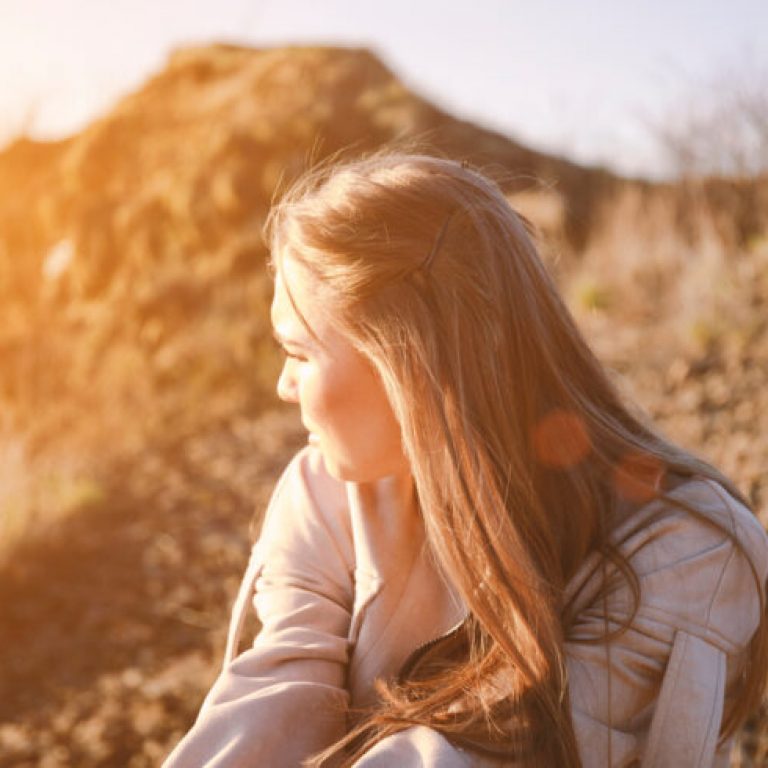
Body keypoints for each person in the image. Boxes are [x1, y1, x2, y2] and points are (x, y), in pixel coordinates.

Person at [163, 153, 768, 767]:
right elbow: (275, 701)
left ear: (408, 360)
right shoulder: (323, 492)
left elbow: (505, 753)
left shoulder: (688, 550)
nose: (283, 387)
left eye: (298, 352)